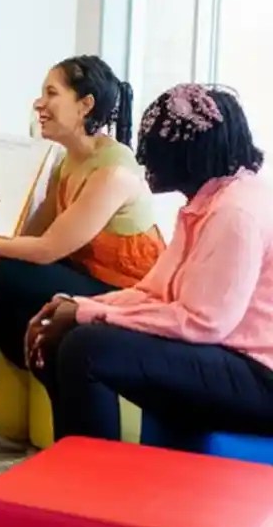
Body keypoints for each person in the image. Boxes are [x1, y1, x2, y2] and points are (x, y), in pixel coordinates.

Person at [0, 55, 165, 434]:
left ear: (85, 104)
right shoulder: (68, 161)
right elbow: (24, 231)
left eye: (51, 93)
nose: (38, 104)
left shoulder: (114, 171)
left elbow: (46, 249)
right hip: (85, 277)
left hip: (125, 292)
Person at [29, 84, 273, 441]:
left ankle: (87, 485)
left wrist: (89, 314)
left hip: (259, 376)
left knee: (88, 349)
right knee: (66, 336)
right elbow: (153, 291)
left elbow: (204, 322)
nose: (143, 162)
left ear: (189, 154)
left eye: (156, 151)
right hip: (227, 355)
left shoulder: (235, 212)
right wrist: (76, 305)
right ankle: (72, 466)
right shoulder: (207, 204)